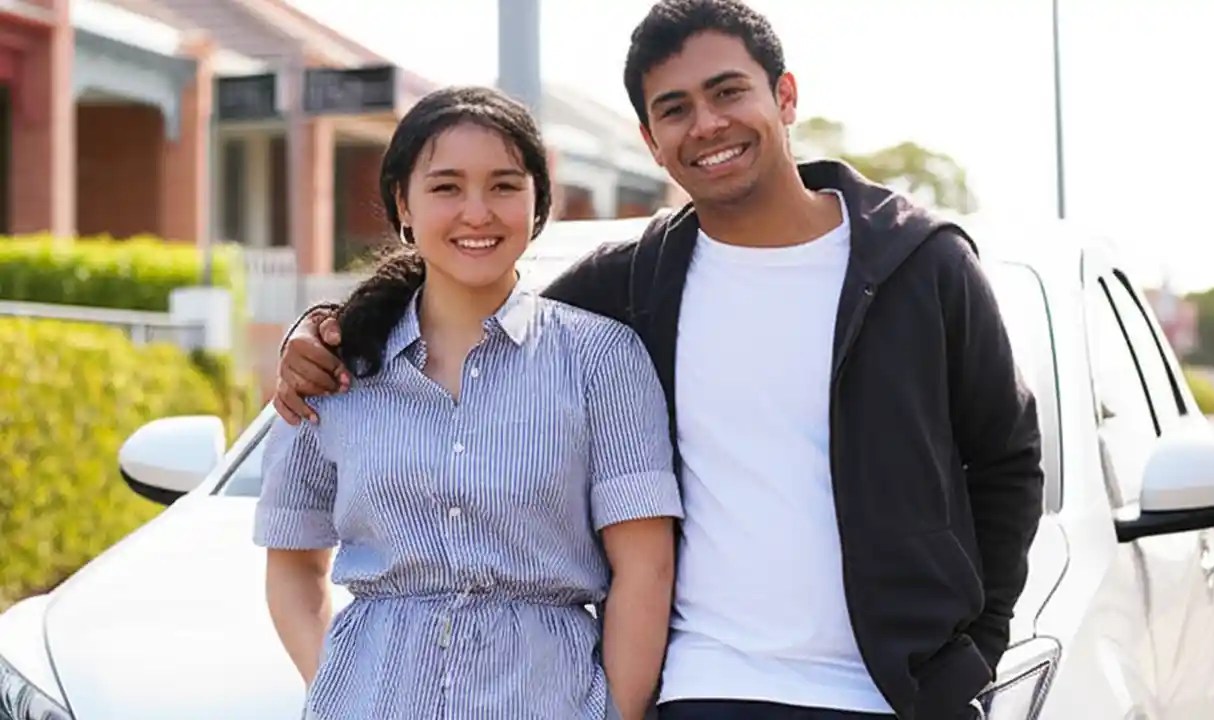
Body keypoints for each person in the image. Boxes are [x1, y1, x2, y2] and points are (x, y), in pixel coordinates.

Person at [273, 2, 1045, 719]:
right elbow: (474, 292)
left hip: (889, 693)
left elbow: (1006, 461)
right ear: (650, 138)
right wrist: (320, 334)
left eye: (727, 92)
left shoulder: (919, 265)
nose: (706, 124)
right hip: (702, 687)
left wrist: (971, 652)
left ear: (784, 95)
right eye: (674, 109)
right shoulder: (634, 285)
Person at [254, 85, 683, 720]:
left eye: (504, 186)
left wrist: (615, 711)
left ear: (538, 202)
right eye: (447, 187)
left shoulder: (602, 359)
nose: (477, 212)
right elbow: (292, 565)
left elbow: (645, 569)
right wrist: (341, 689)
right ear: (404, 201)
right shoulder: (335, 367)